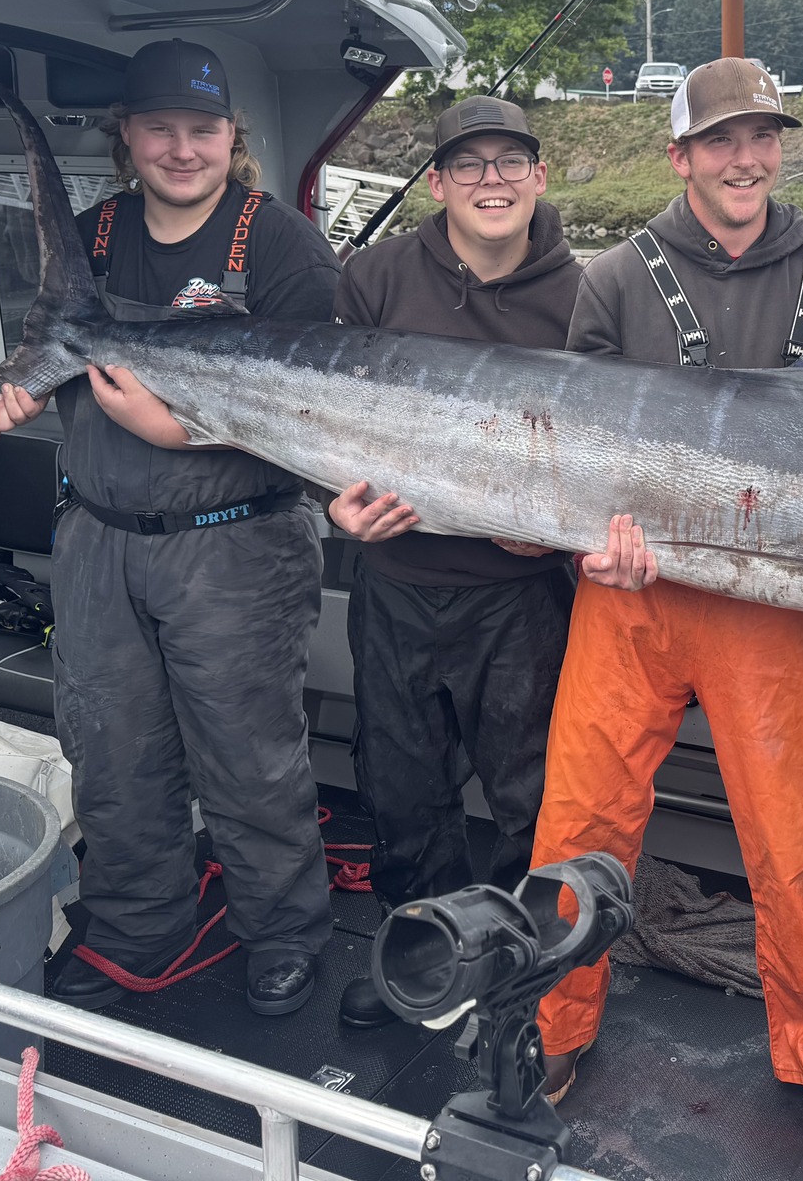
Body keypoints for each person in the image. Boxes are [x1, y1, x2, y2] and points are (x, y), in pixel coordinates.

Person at [529, 57, 803, 1144]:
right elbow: (573, 441)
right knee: (579, 823)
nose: (744, 159)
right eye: (720, 141)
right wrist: (590, 546)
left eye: (761, 137)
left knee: (798, 845)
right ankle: (554, 1024)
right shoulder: (614, 279)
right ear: (681, 157)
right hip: (632, 600)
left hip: (771, 610)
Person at [0, 38, 342, 1018]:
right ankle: (137, 926)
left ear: (233, 136)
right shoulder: (89, 238)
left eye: (203, 129)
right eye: (160, 128)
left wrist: (171, 430)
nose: (183, 149)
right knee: (109, 750)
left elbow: (316, 420)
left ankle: (284, 932)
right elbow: (50, 357)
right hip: (97, 542)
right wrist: (18, 392)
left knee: (249, 755)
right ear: (126, 135)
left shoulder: (282, 247)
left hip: (236, 546)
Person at [324, 96, 585, 1030]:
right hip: (395, 587)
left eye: (510, 161)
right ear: (437, 184)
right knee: (401, 791)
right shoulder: (374, 278)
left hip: (521, 601)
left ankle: (522, 977)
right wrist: (335, 502)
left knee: (530, 799)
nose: (491, 181)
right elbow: (326, 410)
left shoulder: (585, 298)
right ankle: (421, 960)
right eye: (469, 165)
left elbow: (611, 453)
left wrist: (556, 535)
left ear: (539, 176)